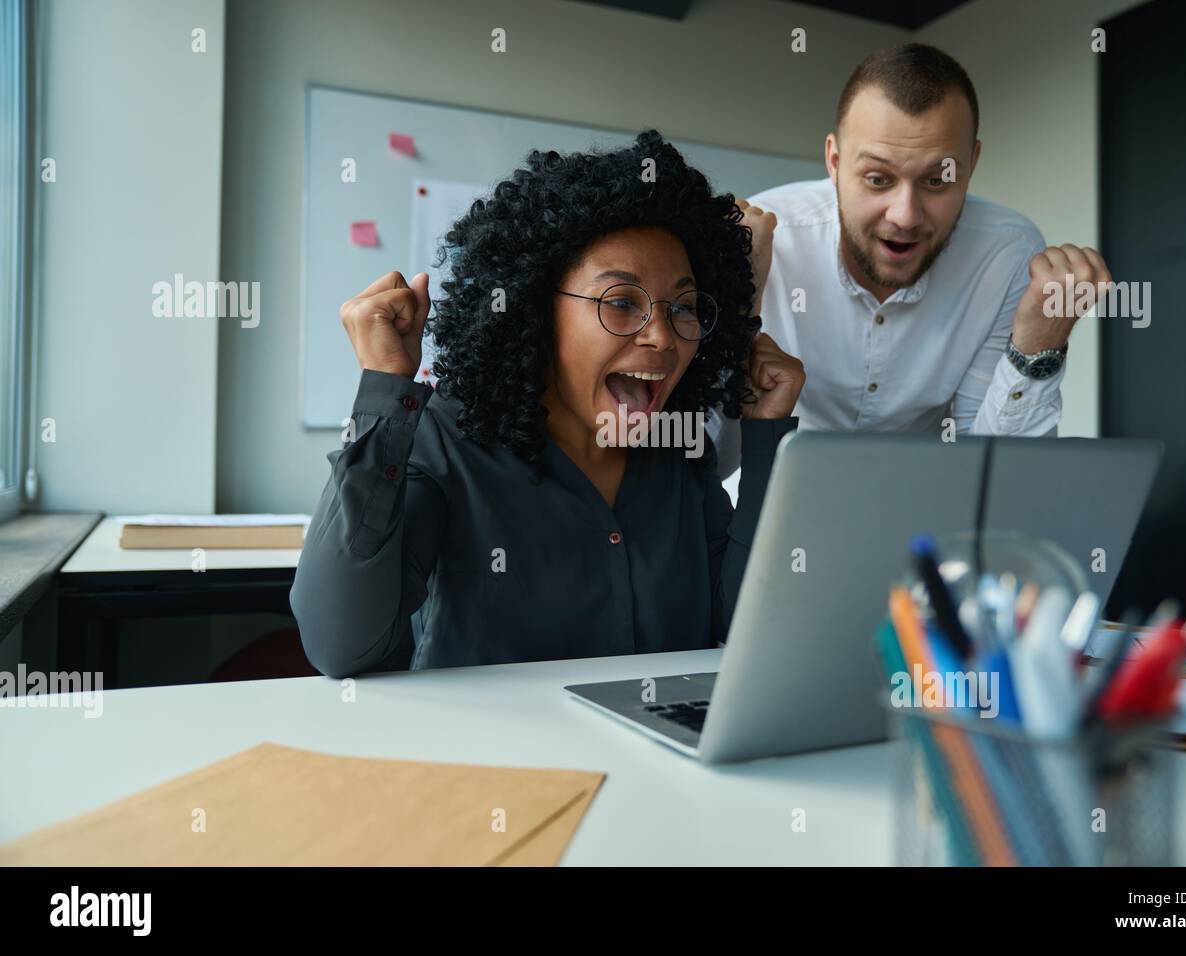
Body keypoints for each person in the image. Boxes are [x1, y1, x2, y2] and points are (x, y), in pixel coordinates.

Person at [290, 131, 805, 678]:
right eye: (622, 302)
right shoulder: (451, 438)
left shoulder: (676, 443)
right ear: (536, 310)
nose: (663, 336)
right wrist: (383, 388)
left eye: (683, 307)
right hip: (499, 757)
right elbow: (341, 645)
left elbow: (746, 629)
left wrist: (765, 435)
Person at [710, 43, 1111, 477]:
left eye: (937, 180)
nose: (905, 215)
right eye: (878, 178)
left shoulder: (1007, 255)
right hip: (768, 501)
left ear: (971, 164)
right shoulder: (762, 242)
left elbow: (997, 476)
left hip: (923, 508)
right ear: (834, 161)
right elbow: (710, 464)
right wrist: (736, 310)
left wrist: (1038, 347)